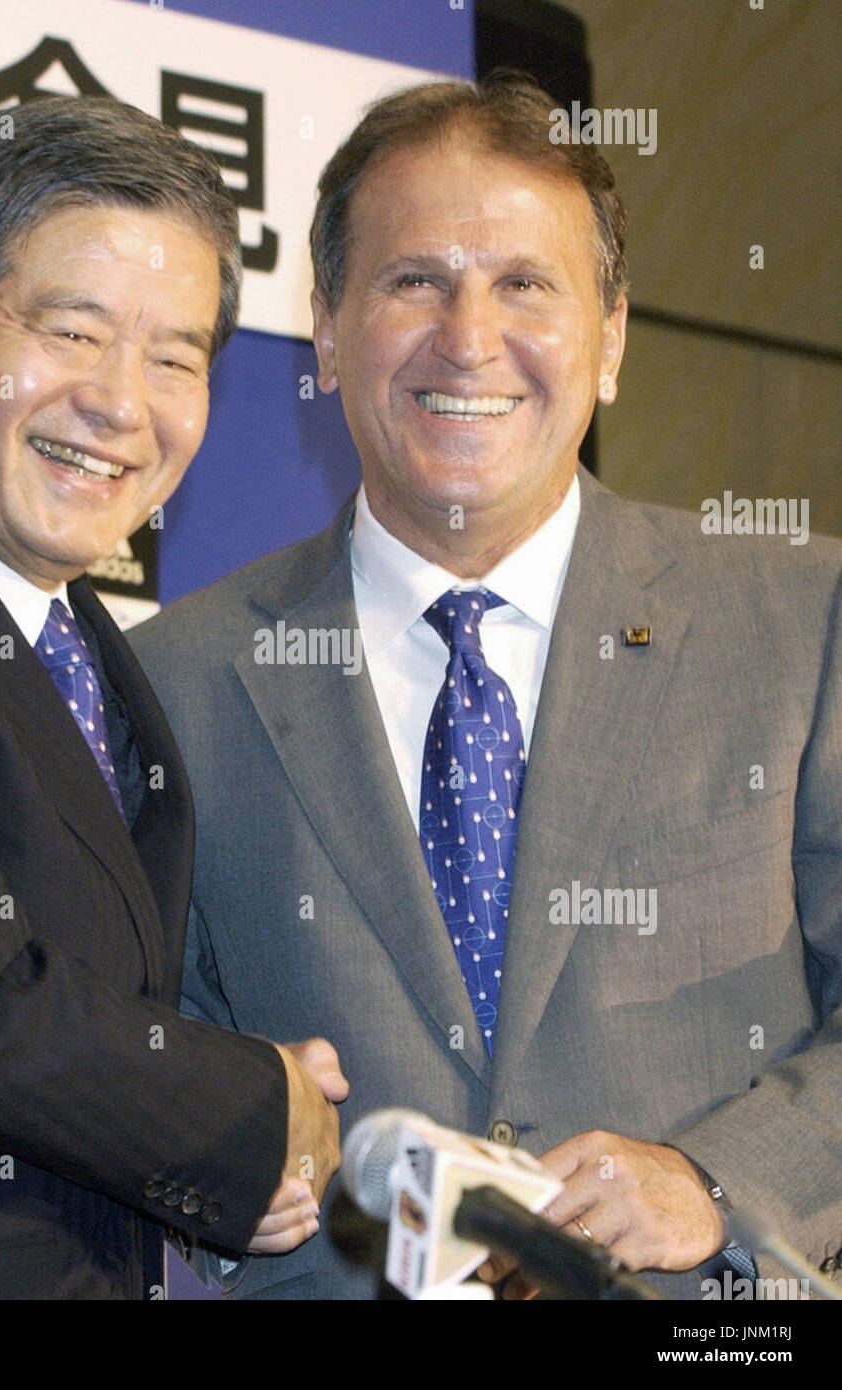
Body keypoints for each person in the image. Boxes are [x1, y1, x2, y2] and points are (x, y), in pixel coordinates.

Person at [130, 72, 842, 1299]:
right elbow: (134, 1071)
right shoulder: (174, 678)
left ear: (609, 340)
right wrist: (231, 1148)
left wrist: (712, 1181)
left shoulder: (801, 617)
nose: (467, 338)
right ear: (327, 328)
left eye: (524, 284)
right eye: (415, 281)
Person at [0, 96, 347, 1301]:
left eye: (176, 358)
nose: (122, 404)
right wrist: (250, 1115)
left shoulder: (76, 635)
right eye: (73, 332)